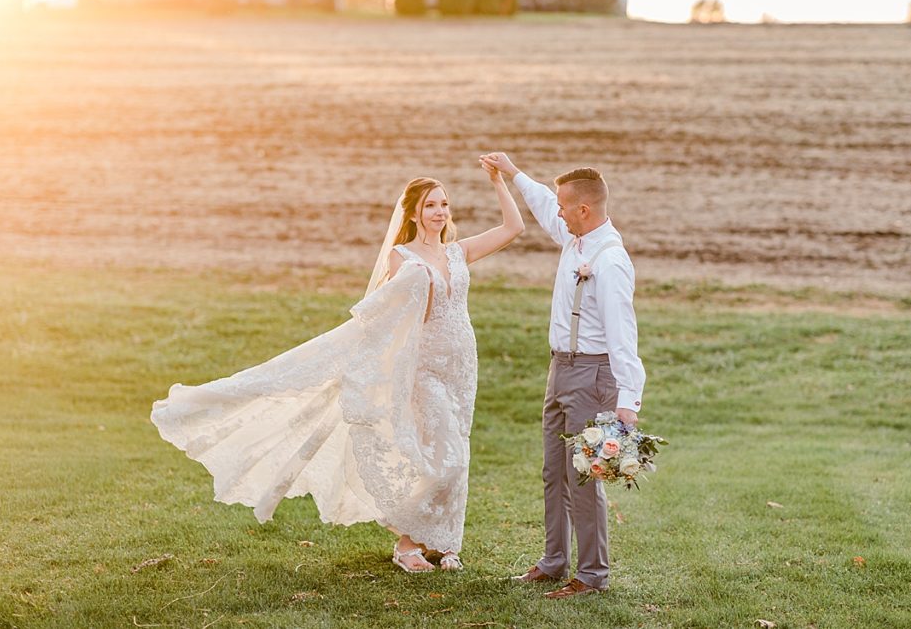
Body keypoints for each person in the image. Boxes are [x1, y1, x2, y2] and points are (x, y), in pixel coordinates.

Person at [151, 161, 524, 573]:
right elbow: (390, 319)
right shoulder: (403, 259)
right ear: (414, 212)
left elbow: (514, 228)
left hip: (460, 369)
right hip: (422, 370)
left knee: (454, 452)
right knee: (442, 458)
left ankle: (441, 541)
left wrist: (498, 181)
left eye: (445, 204)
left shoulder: (458, 252)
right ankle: (406, 544)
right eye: (431, 205)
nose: (440, 212)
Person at [481, 152, 646, 599]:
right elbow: (540, 203)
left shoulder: (609, 261)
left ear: (584, 210)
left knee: (583, 479)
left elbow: (622, 333)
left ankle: (592, 575)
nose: (557, 213)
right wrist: (512, 173)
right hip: (560, 369)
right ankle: (554, 561)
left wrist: (628, 400)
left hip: (593, 376)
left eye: (563, 206)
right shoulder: (576, 240)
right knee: (554, 472)